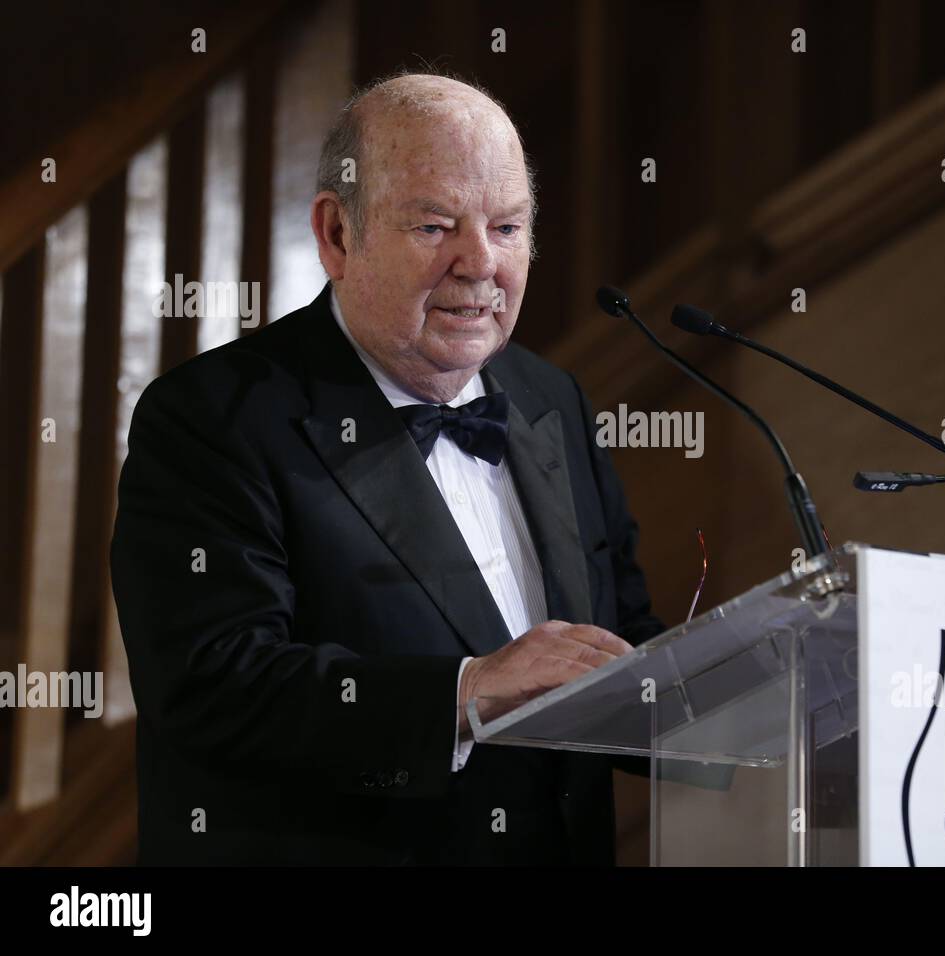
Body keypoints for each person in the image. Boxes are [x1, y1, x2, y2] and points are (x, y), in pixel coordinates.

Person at [110, 72, 663, 865]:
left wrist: (757, 683)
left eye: (507, 227)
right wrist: (466, 692)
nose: (480, 263)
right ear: (338, 235)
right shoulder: (211, 417)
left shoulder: (551, 398)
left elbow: (617, 642)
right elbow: (213, 688)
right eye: (437, 225)